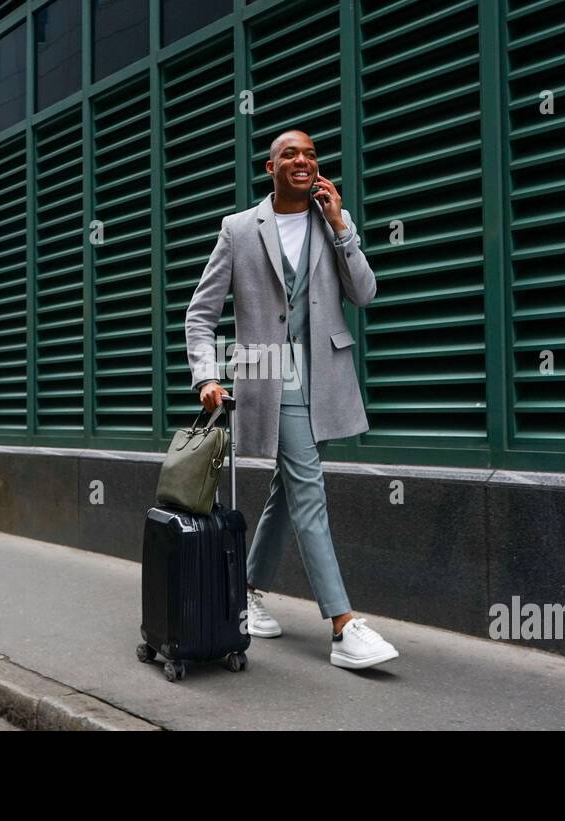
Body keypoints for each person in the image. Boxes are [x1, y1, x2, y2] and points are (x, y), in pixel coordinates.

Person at [184, 129, 399, 670]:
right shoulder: (238, 230)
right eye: (290, 155)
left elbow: (365, 294)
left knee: (287, 487)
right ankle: (343, 625)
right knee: (308, 488)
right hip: (269, 377)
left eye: (310, 154)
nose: (302, 161)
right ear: (270, 166)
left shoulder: (330, 226)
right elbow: (200, 314)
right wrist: (206, 376)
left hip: (322, 376)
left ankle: (247, 591)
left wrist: (343, 227)